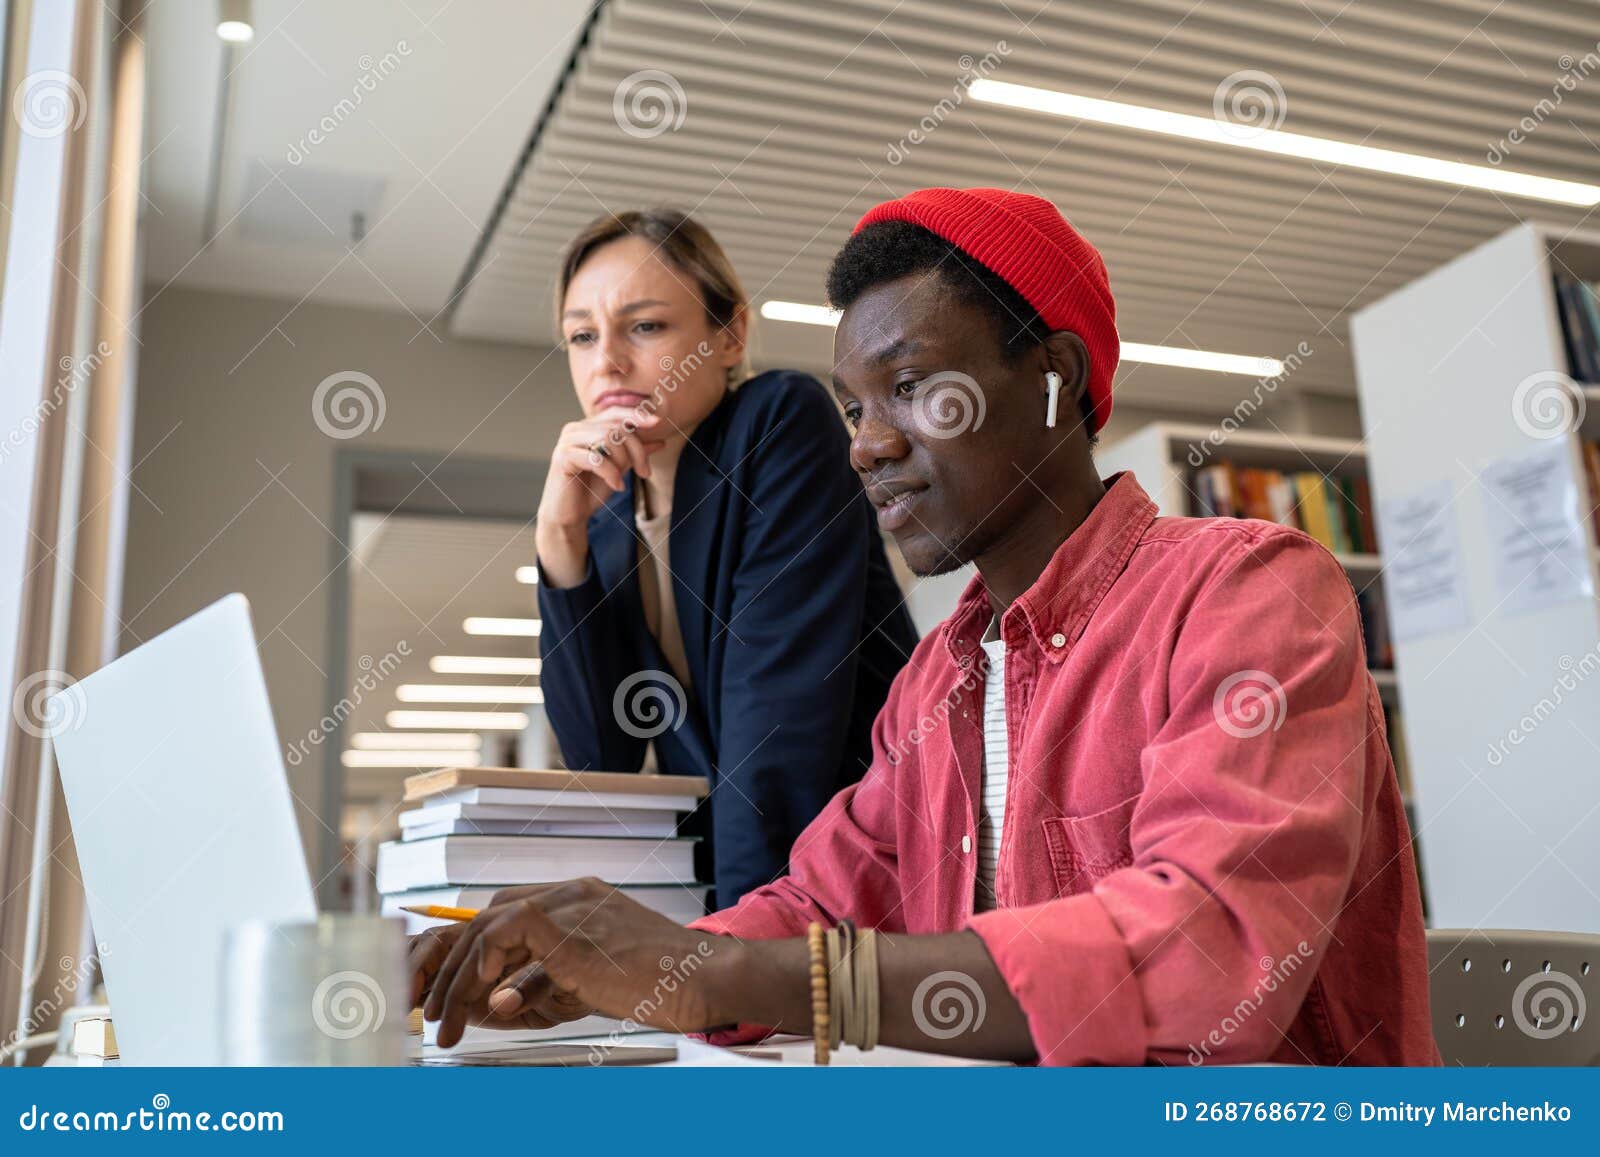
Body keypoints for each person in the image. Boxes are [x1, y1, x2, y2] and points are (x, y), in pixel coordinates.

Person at [411, 188, 1440, 1066]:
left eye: (909, 389)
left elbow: (1208, 946)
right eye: (855, 407)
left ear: (1056, 378)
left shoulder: (1249, 590)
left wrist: (741, 970)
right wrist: (625, 965)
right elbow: (820, 896)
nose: (865, 447)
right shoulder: (937, 681)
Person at [532, 208, 918, 909]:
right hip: (741, 898)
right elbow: (603, 759)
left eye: (645, 326)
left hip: (864, 874)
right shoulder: (611, 520)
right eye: (582, 336)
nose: (607, 361)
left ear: (730, 334)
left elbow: (774, 737)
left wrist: (733, 953)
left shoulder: (779, 423)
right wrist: (560, 543)